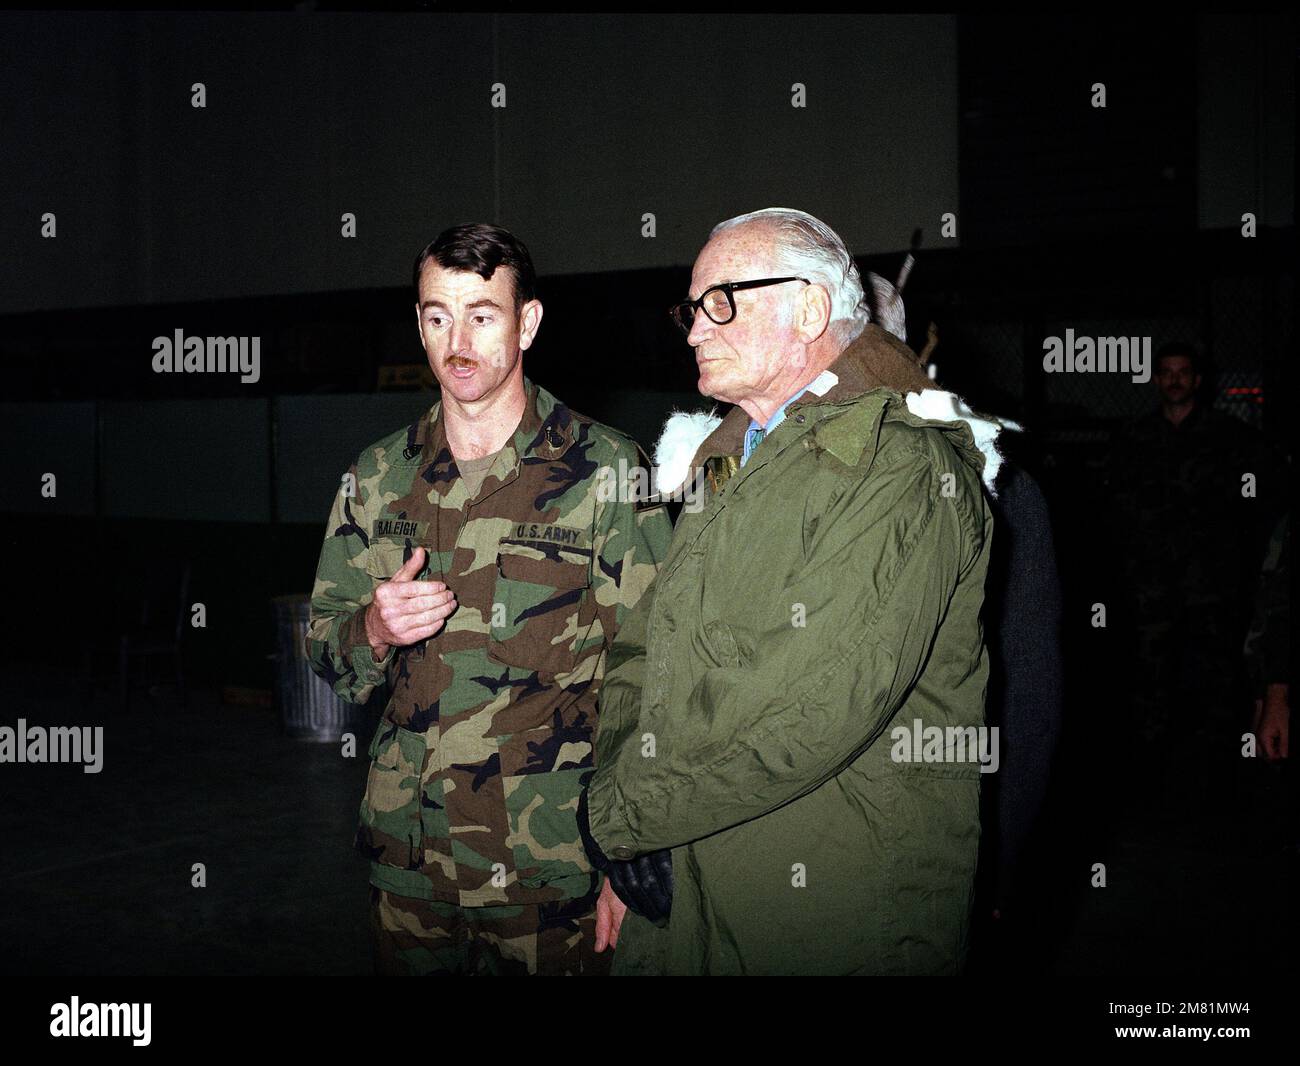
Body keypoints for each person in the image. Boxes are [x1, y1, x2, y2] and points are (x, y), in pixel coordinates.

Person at [577, 207, 1012, 975]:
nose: (693, 330)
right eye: (691, 307)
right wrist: (629, 830)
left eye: (721, 301)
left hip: (823, 913)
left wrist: (621, 815)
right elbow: (646, 650)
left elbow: (813, 706)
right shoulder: (728, 461)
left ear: (809, 309)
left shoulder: (899, 469)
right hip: (688, 882)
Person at [305, 223, 673, 975]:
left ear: (527, 322)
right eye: (437, 315)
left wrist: (629, 854)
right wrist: (372, 628)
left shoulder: (606, 472)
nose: (457, 340)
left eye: (482, 314)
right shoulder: (376, 478)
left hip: (551, 865)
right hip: (410, 861)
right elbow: (327, 653)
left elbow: (658, 674)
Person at [1105, 343, 1287, 791]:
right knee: (1150, 679)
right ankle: (1151, 776)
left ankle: (1219, 776)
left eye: (1183, 372)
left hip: (1212, 586)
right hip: (1152, 587)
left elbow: (1258, 506)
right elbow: (1114, 508)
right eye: (1167, 372)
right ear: (1156, 379)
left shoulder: (1232, 438)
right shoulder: (1135, 438)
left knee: (1217, 680)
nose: (1175, 380)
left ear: (1197, 380)